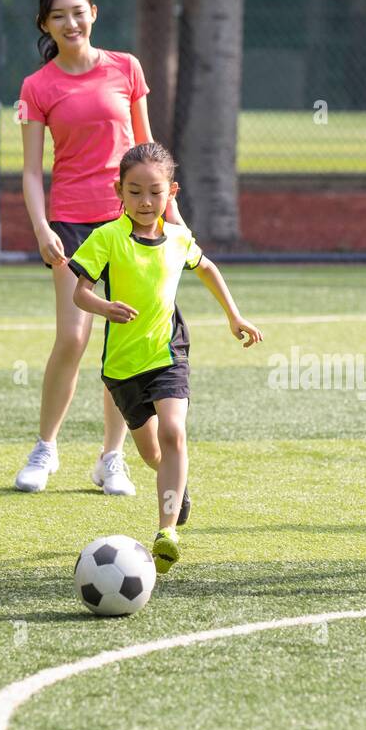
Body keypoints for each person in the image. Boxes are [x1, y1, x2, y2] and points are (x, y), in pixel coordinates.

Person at [14, 0, 184, 495]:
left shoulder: (126, 68)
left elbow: (150, 151)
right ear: (46, 24)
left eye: (79, 11)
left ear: (94, 13)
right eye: (59, 15)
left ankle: (111, 458)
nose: (71, 22)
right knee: (73, 336)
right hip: (69, 223)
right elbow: (29, 171)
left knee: (123, 342)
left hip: (131, 224)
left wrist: (172, 217)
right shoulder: (37, 86)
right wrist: (41, 228)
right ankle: (45, 448)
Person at [69, 143, 263, 573]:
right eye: (135, 191)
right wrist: (105, 307)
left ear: (171, 192)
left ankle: (166, 533)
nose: (144, 201)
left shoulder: (178, 238)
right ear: (118, 190)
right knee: (154, 453)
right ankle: (177, 485)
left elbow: (207, 267)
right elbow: (80, 292)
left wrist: (234, 316)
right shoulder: (106, 238)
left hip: (168, 353)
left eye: (155, 192)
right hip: (121, 367)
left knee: (175, 433)